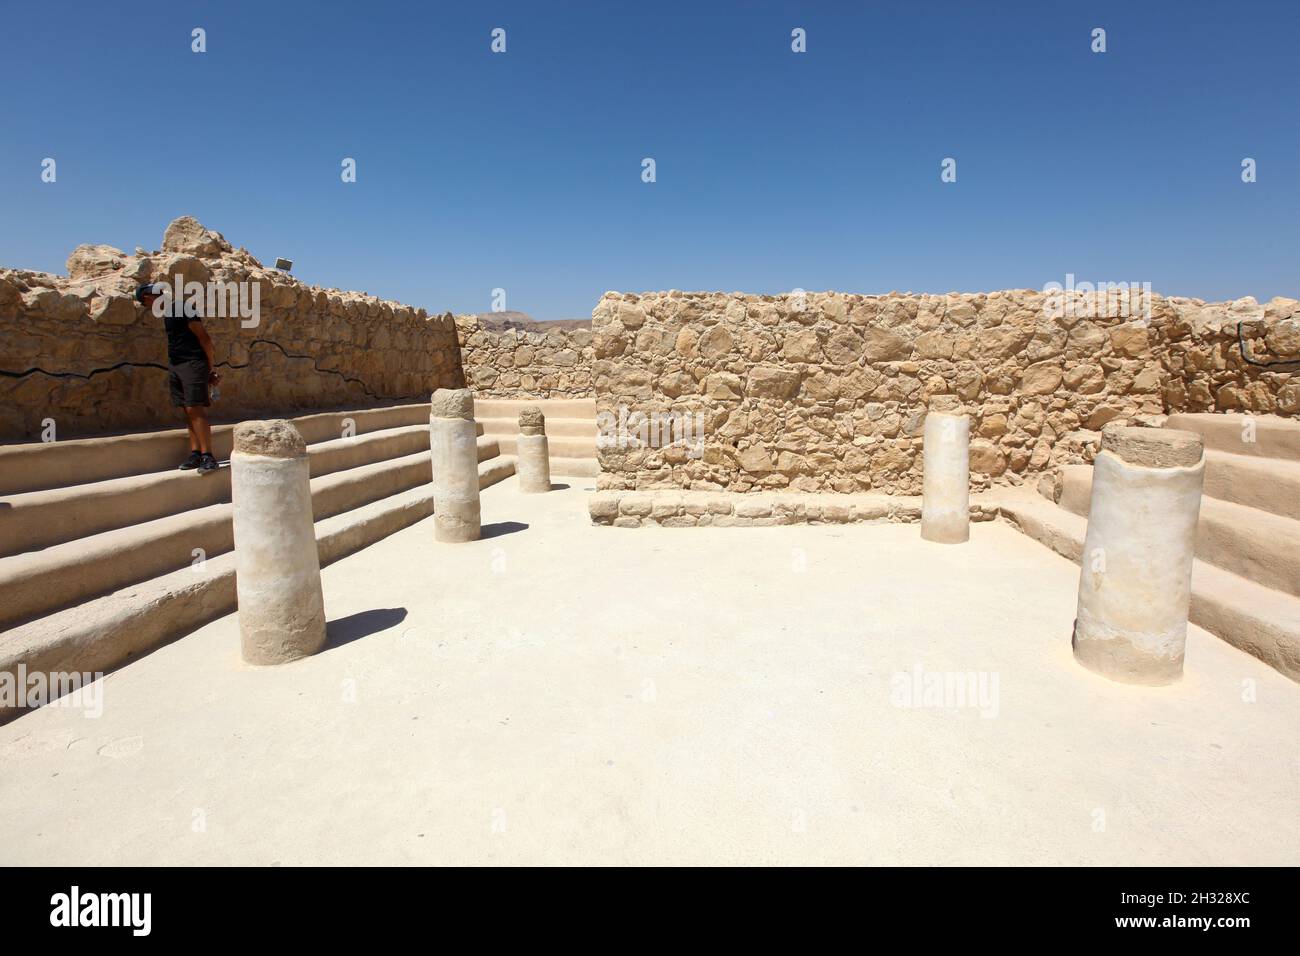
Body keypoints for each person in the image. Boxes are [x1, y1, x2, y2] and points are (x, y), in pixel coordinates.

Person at [136, 282, 221, 472]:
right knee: (186, 409)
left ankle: (208, 456)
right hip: (177, 365)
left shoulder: (181, 307)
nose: (147, 307)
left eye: (144, 303)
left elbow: (204, 338)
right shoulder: (168, 312)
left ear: (149, 298)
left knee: (194, 408)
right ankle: (195, 453)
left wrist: (209, 368)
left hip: (192, 363)